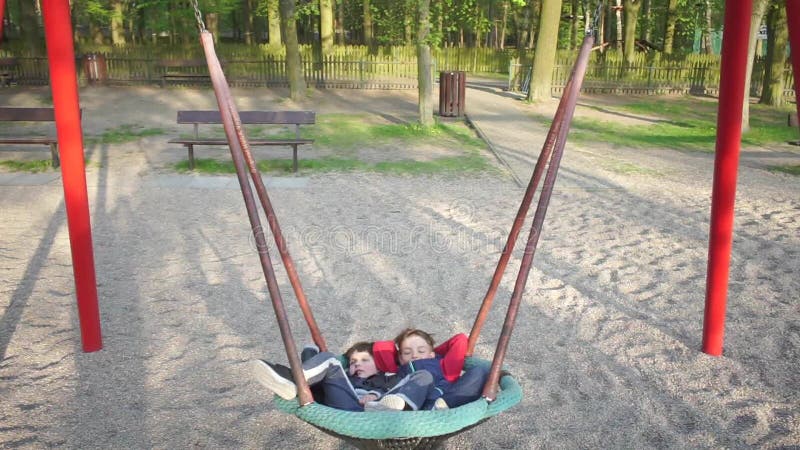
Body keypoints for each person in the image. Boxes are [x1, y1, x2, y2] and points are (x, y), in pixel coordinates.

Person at [250, 341, 441, 412]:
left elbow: (401, 384)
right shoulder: (345, 379)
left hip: (383, 407)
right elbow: (326, 387)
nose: (357, 364)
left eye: (365, 360)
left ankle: (293, 380)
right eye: (352, 362)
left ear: (379, 364)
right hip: (347, 405)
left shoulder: (389, 376)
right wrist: (310, 355)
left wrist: (376, 396)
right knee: (327, 361)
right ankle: (294, 383)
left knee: (423, 375)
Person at [365, 329, 489, 411]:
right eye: (407, 352)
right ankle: (397, 406)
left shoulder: (444, 366)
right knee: (423, 376)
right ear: (400, 358)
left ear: (431, 354)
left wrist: (433, 354)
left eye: (421, 351)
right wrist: (373, 394)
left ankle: (441, 406)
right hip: (406, 403)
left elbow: (460, 339)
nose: (415, 355)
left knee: (480, 371)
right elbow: (380, 347)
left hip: (442, 401)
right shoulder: (398, 370)